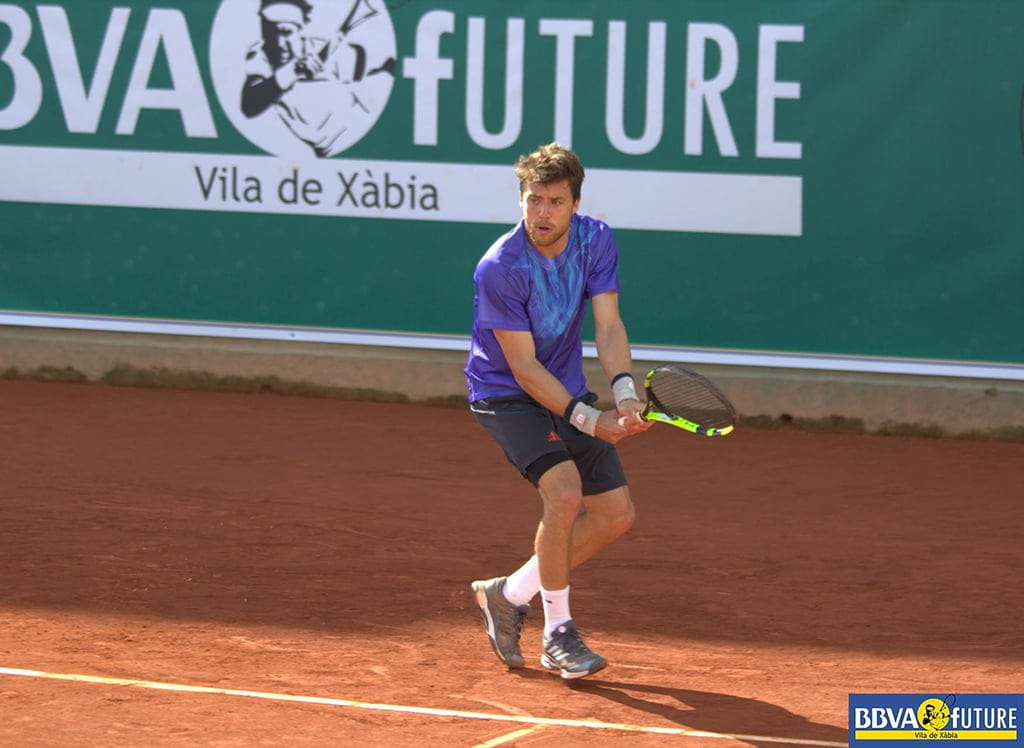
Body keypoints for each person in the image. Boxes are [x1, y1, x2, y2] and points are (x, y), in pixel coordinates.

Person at [465, 142, 651, 680]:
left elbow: (609, 325)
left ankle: (506, 593)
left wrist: (624, 392)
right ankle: (558, 635)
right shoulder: (500, 266)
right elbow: (523, 368)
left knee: (616, 515)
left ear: (575, 203)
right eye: (532, 200)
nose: (541, 214)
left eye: (554, 201)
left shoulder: (595, 241)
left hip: (564, 388)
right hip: (506, 396)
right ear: (521, 200)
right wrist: (591, 420)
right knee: (566, 493)